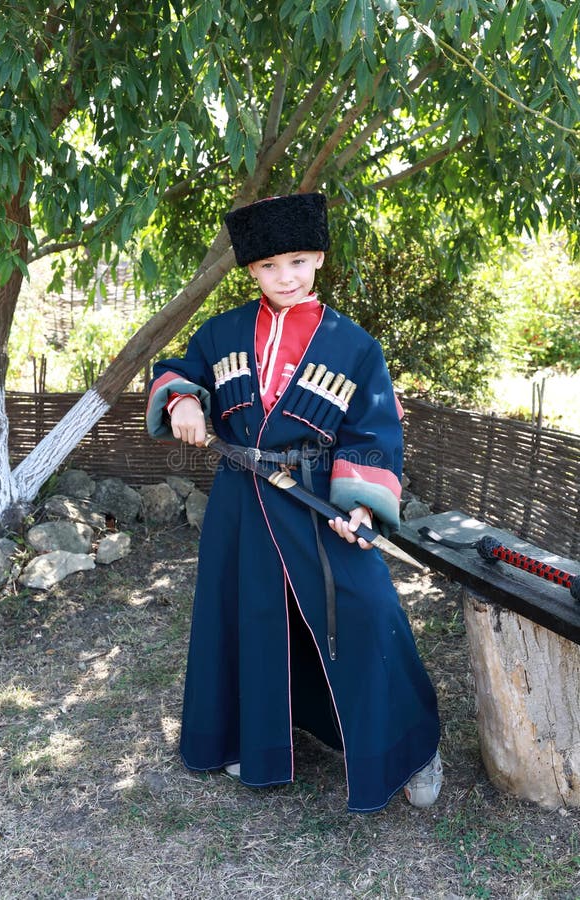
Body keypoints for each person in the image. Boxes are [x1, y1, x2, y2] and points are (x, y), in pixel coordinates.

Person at [146, 193, 443, 812]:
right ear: (251, 270)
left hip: (316, 499)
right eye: (270, 266)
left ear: (319, 260)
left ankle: (409, 745)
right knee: (246, 613)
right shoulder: (221, 331)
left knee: (366, 607)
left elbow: (373, 429)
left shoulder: (353, 346)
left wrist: (361, 504)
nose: (286, 276)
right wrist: (184, 402)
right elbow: (176, 368)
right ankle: (249, 738)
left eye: (299, 261)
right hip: (240, 498)